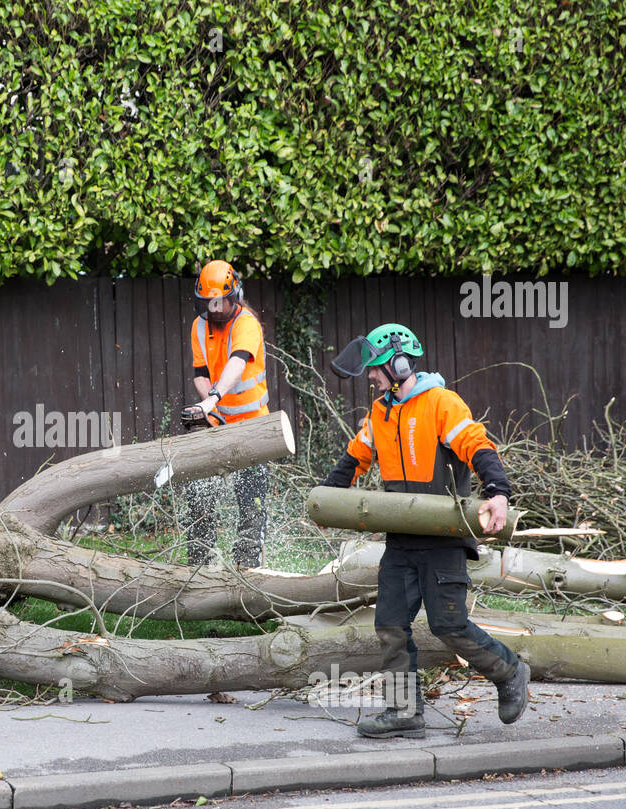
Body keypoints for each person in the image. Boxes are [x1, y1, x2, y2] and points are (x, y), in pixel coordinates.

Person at [319, 323, 530, 737]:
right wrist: (325, 500)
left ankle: (510, 671)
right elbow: (353, 461)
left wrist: (498, 493)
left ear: (398, 363)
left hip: (442, 538)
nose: (373, 378)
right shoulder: (379, 413)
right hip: (400, 541)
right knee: (391, 626)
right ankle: (404, 711)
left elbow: (477, 445)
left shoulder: (440, 403)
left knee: (448, 625)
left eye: (376, 369)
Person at [180, 259, 270, 568]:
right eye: (209, 303)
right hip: (217, 422)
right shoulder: (199, 326)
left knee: (251, 504)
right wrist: (208, 403)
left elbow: (237, 362)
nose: (215, 308)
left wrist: (214, 396)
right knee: (199, 495)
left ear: (235, 295)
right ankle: (201, 565)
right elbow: (200, 373)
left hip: (253, 427)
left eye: (220, 301)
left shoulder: (246, 323)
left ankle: (247, 570)